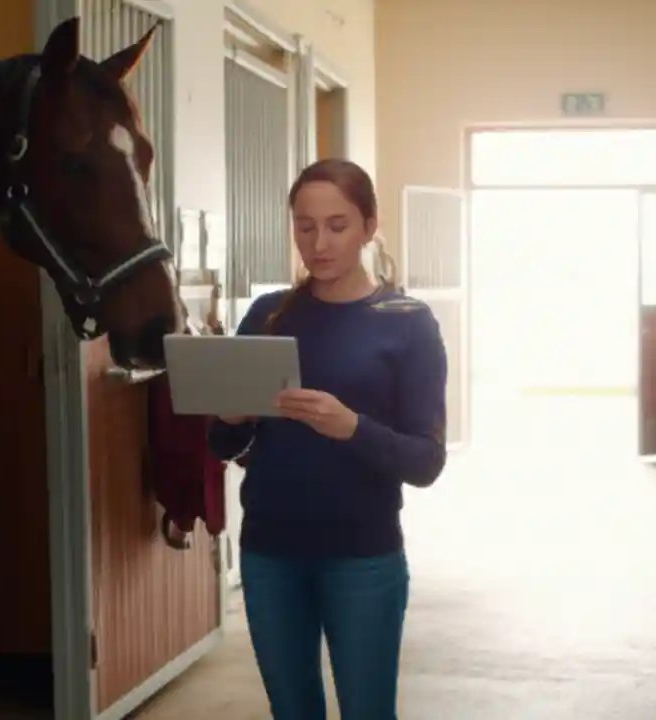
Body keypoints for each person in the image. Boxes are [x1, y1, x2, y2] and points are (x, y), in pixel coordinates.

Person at [208, 158, 448, 720]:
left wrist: (352, 428)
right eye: (304, 225)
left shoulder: (408, 322)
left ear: (370, 224)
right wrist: (234, 419)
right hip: (269, 555)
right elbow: (221, 445)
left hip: (362, 558)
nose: (319, 243)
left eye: (337, 225)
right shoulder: (268, 315)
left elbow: (426, 461)